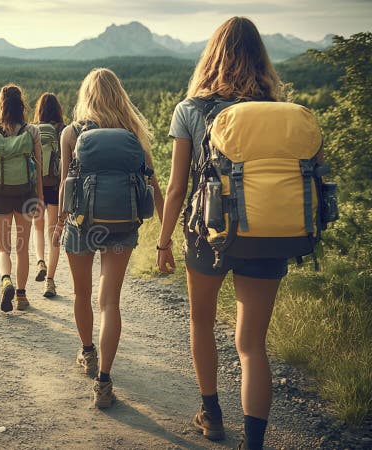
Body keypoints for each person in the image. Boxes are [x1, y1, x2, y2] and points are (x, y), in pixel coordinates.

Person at [156, 17, 293, 450]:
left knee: (201, 322)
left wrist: (162, 242)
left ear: (211, 55)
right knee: (252, 343)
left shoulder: (190, 110)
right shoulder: (281, 112)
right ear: (260, 58)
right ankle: (254, 443)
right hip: (265, 232)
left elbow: (177, 187)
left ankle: (211, 414)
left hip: (206, 234)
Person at [53, 68, 164, 408]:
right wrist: (167, 229)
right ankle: (104, 380)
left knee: (82, 293)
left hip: (82, 224)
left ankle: (87, 353)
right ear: (120, 95)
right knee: (110, 302)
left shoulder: (72, 132)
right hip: (122, 227)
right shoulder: (133, 132)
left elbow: (64, 184)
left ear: (85, 95)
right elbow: (152, 181)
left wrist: (59, 223)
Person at [0, 83, 44, 312]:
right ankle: (22, 296)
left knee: (3, 248)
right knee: (22, 248)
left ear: (1, 104)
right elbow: (38, 169)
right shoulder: (32, 131)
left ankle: (6, 279)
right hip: (26, 195)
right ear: (22, 105)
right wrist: (40, 199)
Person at [31, 93, 65, 298]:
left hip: (37, 186)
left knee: (38, 227)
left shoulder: (33, 130)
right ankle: (50, 282)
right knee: (54, 233)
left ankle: (40, 261)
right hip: (56, 187)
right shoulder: (63, 130)